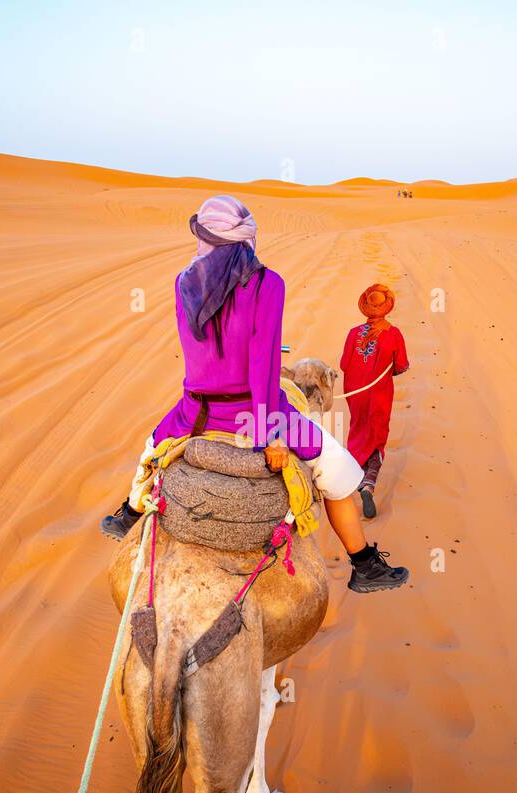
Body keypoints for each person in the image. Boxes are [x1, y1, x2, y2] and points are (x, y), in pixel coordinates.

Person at [101, 196, 408, 594]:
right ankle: (364, 565)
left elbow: (199, 359)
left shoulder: (184, 283)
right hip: (254, 414)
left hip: (193, 410)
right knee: (340, 473)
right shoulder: (267, 283)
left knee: (151, 452)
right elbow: (263, 365)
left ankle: (128, 513)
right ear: (247, 238)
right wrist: (270, 434)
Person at [340, 284, 409, 518]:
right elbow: (401, 366)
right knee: (377, 434)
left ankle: (353, 476)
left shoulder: (352, 333)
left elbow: (344, 365)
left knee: (358, 429)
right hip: (379, 392)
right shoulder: (393, 333)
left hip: (354, 391)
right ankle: (368, 484)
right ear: (386, 307)